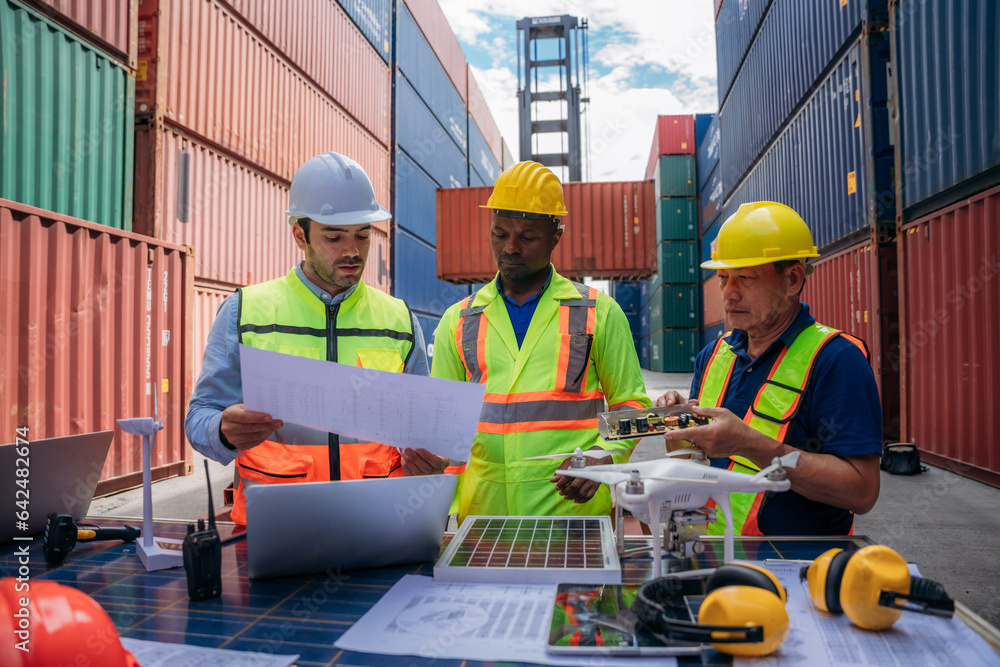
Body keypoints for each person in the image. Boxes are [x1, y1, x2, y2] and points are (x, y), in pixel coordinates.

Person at [185, 151, 444, 525]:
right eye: (334, 236)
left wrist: (431, 457)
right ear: (299, 235)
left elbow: (425, 427)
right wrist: (223, 431)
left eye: (363, 235)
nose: (352, 251)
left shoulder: (399, 320)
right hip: (275, 526)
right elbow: (200, 419)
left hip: (378, 524)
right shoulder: (245, 312)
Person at [423, 161, 651, 522]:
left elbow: (632, 405)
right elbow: (441, 426)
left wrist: (602, 457)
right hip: (484, 518)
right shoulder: (460, 320)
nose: (510, 248)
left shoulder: (599, 313)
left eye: (527, 237)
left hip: (572, 517)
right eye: (499, 234)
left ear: (556, 236)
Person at [657, 201, 881, 536]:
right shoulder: (714, 354)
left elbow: (861, 491)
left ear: (792, 279)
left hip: (796, 561)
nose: (729, 293)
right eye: (723, 278)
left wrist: (750, 444)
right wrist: (682, 427)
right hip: (711, 552)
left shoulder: (836, 359)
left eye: (746, 278)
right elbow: (694, 461)